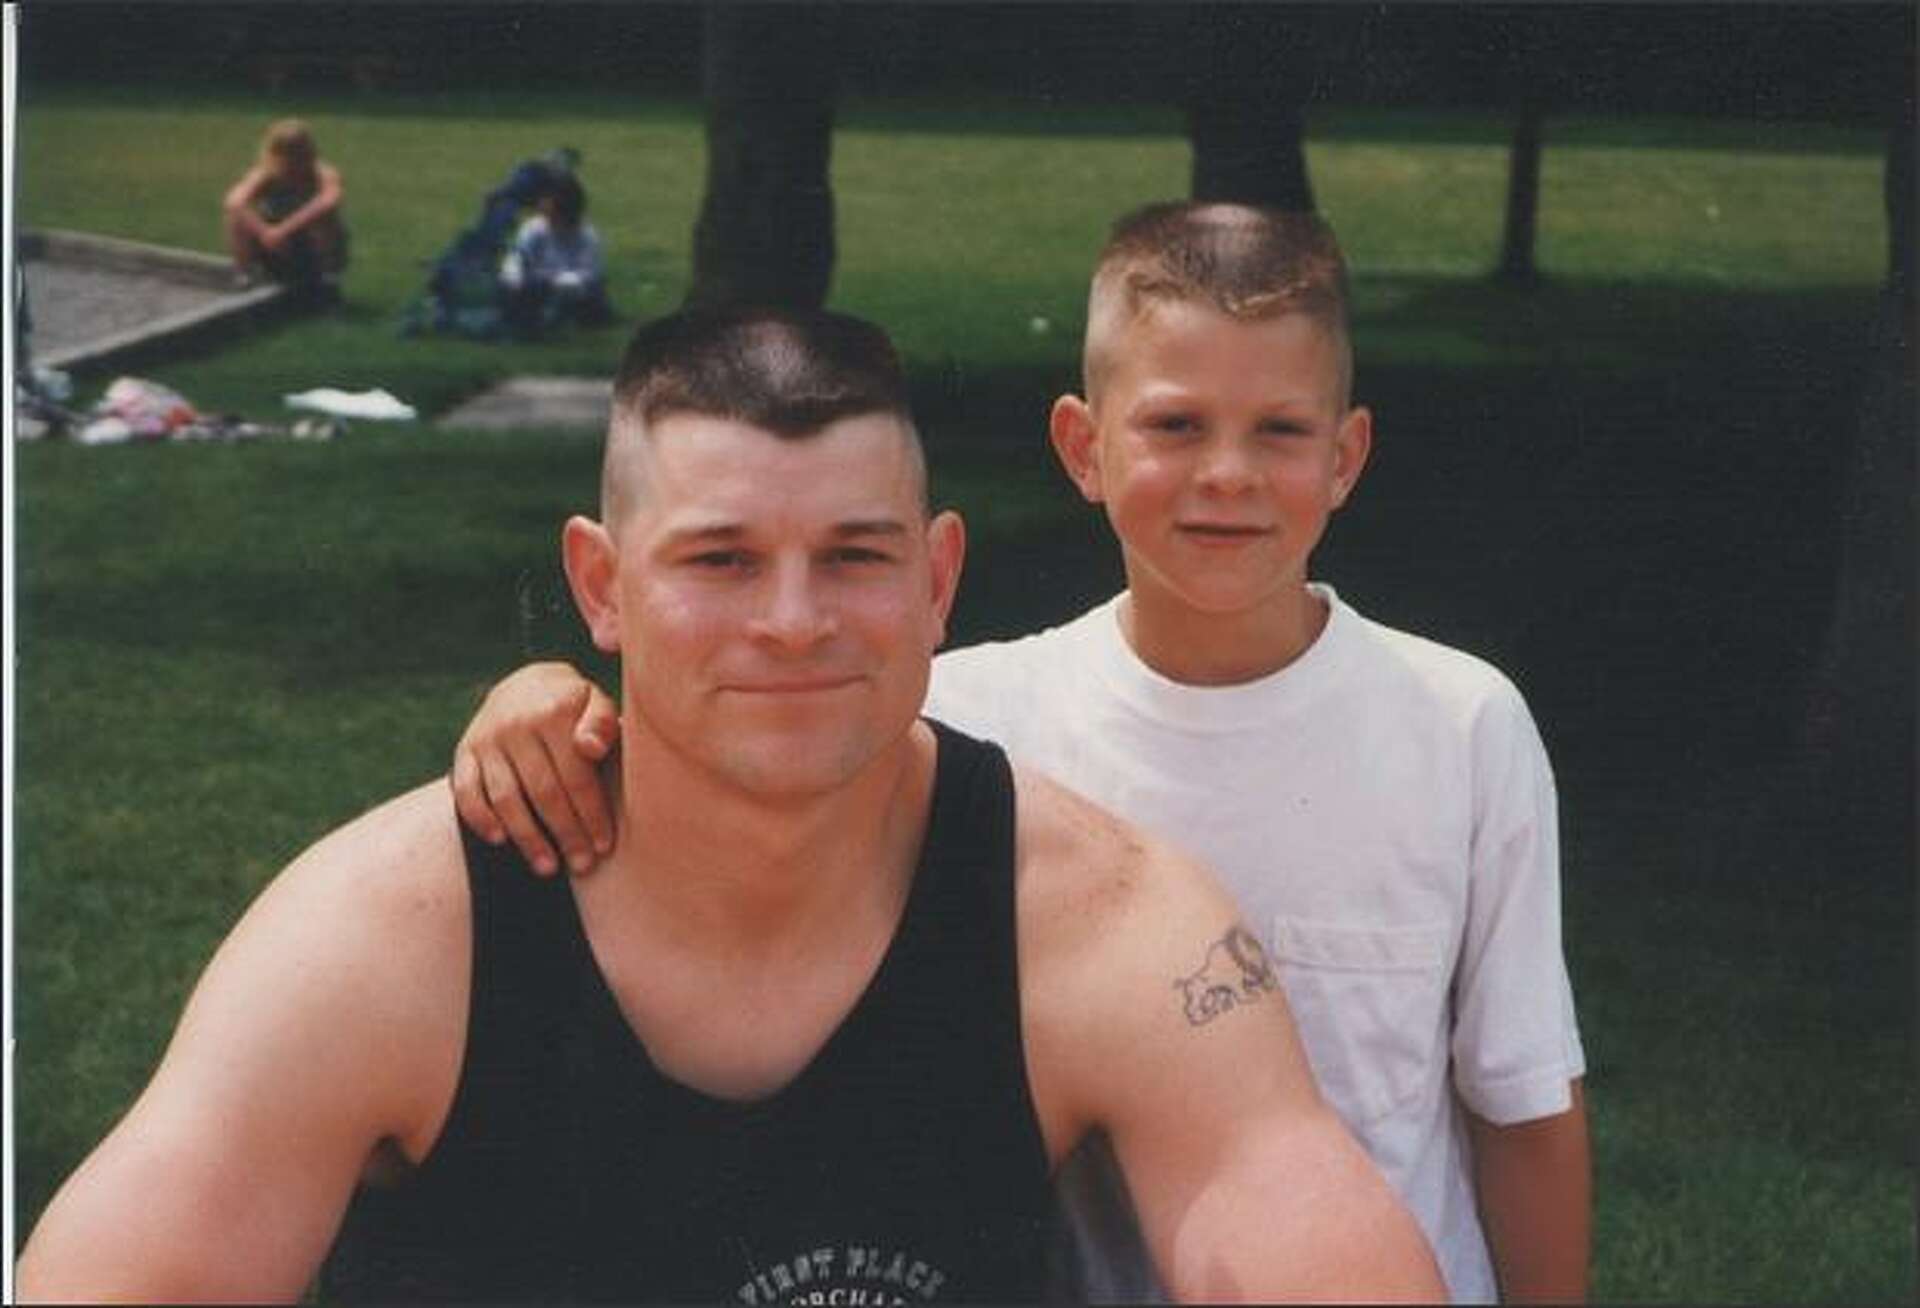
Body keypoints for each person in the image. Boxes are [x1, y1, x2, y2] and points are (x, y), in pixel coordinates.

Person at [16, 307, 1442, 1304]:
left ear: (939, 582)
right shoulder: (391, 938)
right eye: (719, 560)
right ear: (600, 585)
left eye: (856, 556)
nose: (794, 620)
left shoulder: (1105, 930)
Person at [454, 203, 1593, 1303]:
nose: (1229, 474)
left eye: (1281, 431)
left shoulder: (1460, 722)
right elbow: (734, 753)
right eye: (1176, 425)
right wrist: (544, 699)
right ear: (1081, 445)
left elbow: (1521, 1102)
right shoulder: (967, 716)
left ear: (1345, 456)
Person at [221, 118, 348, 297]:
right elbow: (234, 201)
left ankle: (328, 279)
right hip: (274, 245)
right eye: (288, 156)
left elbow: (330, 200)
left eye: (300, 155)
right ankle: (244, 275)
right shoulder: (265, 174)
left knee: (324, 217)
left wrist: (283, 230)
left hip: (310, 248)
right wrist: (265, 232)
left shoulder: (323, 173)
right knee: (236, 219)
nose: (295, 163)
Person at [499, 170, 613, 336]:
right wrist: (516, 280)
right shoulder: (534, 229)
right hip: (535, 287)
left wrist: (554, 283)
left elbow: (587, 276)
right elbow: (515, 261)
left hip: (568, 291)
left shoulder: (586, 237)